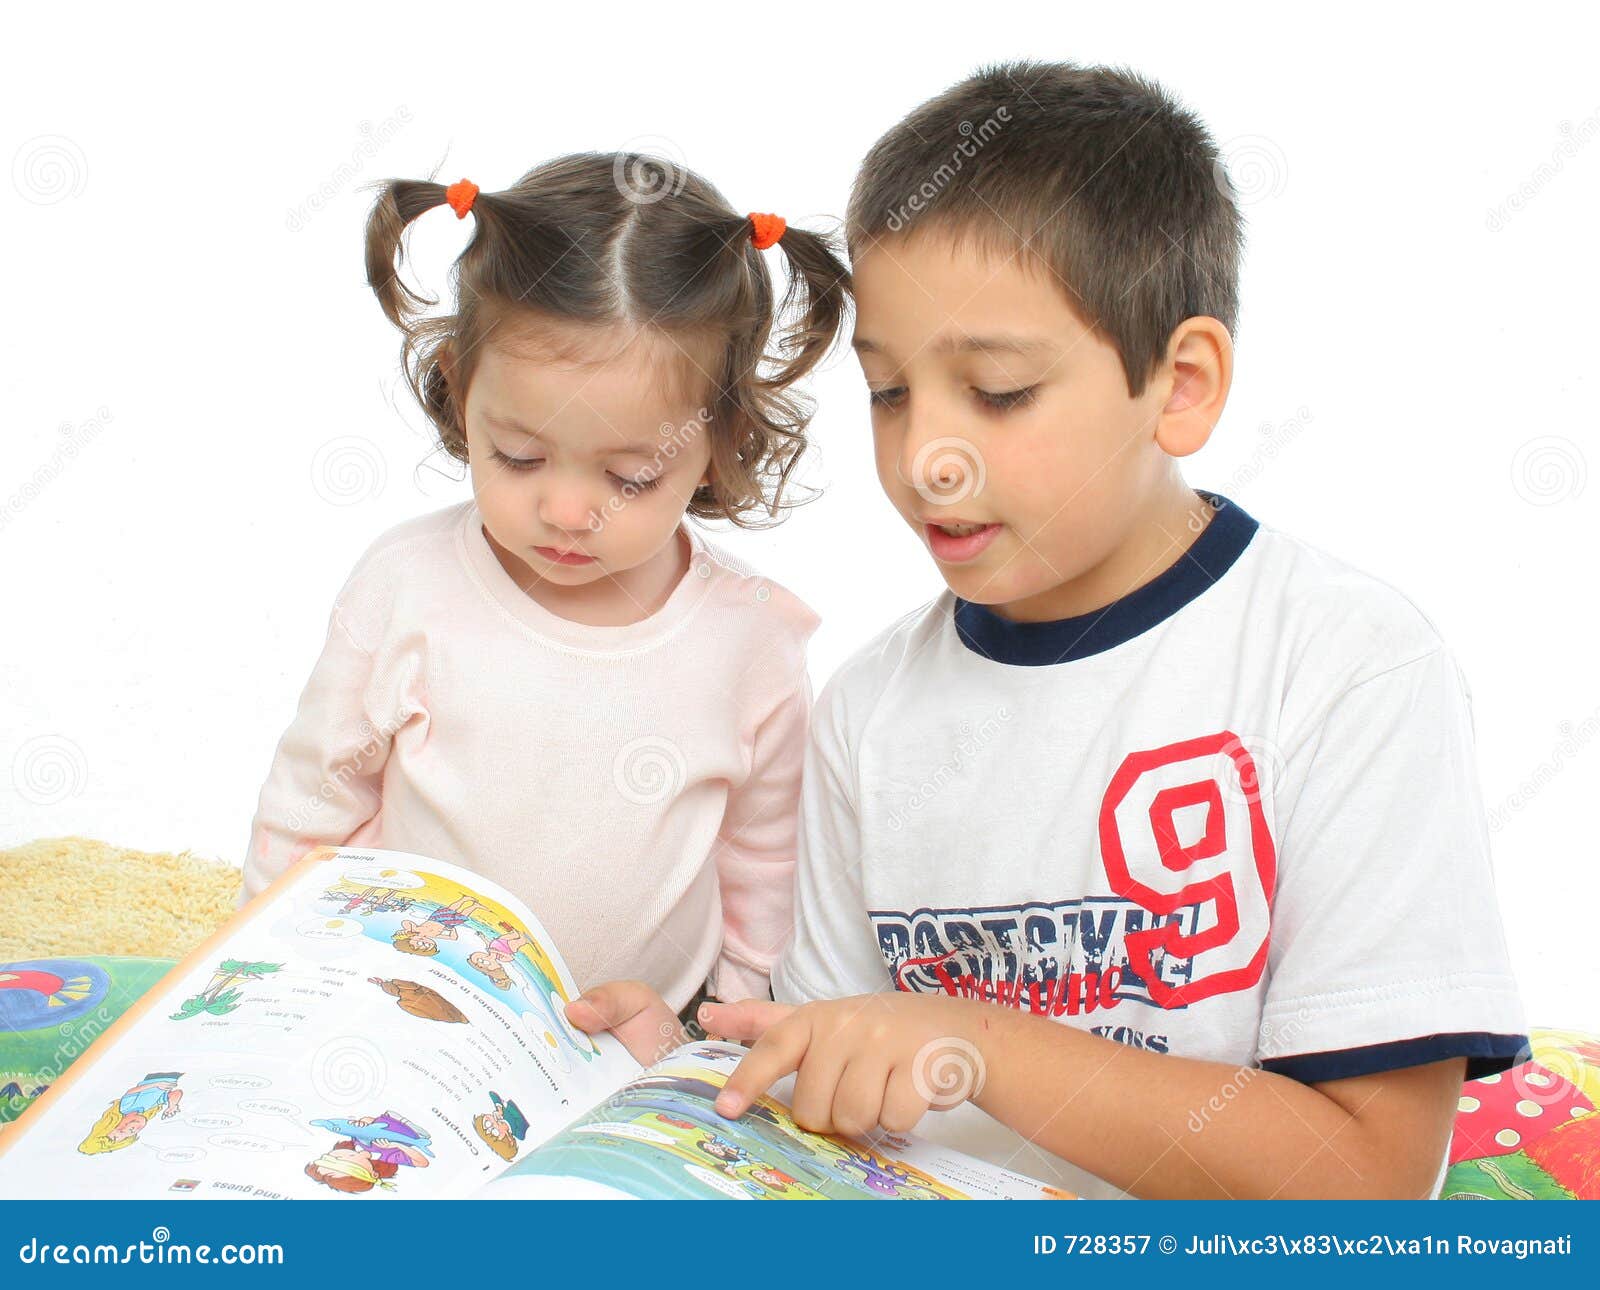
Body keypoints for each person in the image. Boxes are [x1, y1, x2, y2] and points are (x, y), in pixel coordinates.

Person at [570, 61, 1530, 1200]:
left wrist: (975, 1041)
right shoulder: (869, 712)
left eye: (999, 391)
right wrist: (692, 1075)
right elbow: (834, 1091)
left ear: (1180, 385)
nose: (925, 456)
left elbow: (1369, 1179)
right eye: (888, 393)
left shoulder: (1345, 667)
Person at [241, 152, 849, 1018]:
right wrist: (259, 975)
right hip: (393, 1008)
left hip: (642, 1040)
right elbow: (314, 797)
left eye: (631, 476)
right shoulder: (409, 584)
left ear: (722, 434)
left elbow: (764, 860)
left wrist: (732, 1020)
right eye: (520, 456)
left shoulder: (750, 639)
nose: (568, 512)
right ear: (459, 391)